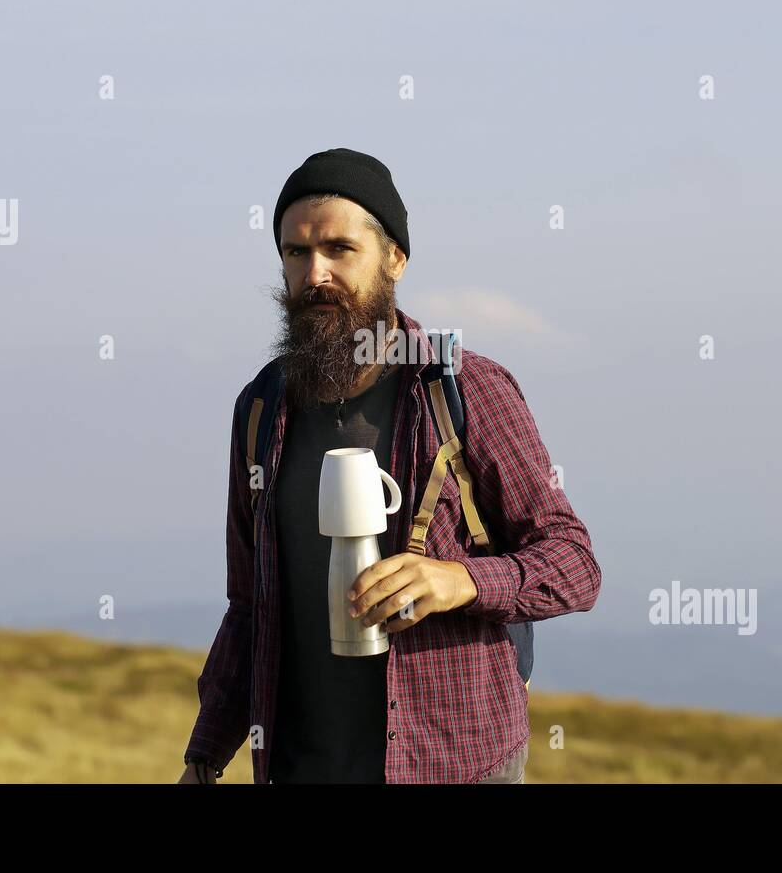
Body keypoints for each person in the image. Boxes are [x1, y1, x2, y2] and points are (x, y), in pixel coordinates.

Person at [179, 148, 600, 784]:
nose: (315, 273)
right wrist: (204, 758)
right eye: (296, 252)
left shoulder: (463, 390)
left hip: (451, 766)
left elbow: (575, 565)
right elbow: (249, 606)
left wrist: (459, 582)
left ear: (395, 258)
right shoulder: (261, 409)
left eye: (339, 250)